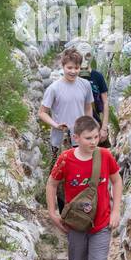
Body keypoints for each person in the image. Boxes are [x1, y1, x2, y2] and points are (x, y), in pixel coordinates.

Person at [46, 116, 123, 260]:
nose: (93, 142)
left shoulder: (105, 156)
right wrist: (53, 213)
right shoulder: (65, 159)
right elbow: (52, 183)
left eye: (96, 137)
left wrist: (115, 210)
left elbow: (116, 180)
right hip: (76, 225)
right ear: (75, 138)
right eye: (88, 138)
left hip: (101, 224)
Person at [38, 47, 95, 181]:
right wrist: (56, 125)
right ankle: (58, 201)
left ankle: (79, 200)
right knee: (58, 176)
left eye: (76, 68)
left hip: (80, 139)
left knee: (81, 175)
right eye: (69, 68)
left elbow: (88, 108)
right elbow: (42, 113)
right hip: (59, 140)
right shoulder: (54, 88)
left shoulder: (85, 85)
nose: (73, 71)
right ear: (62, 66)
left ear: (80, 67)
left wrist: (88, 128)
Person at [80, 49, 110, 145]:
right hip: (78, 125)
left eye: (87, 55)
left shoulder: (97, 76)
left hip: (96, 123)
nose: (84, 59)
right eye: (81, 55)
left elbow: (105, 102)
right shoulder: (74, 77)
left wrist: (104, 128)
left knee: (100, 157)